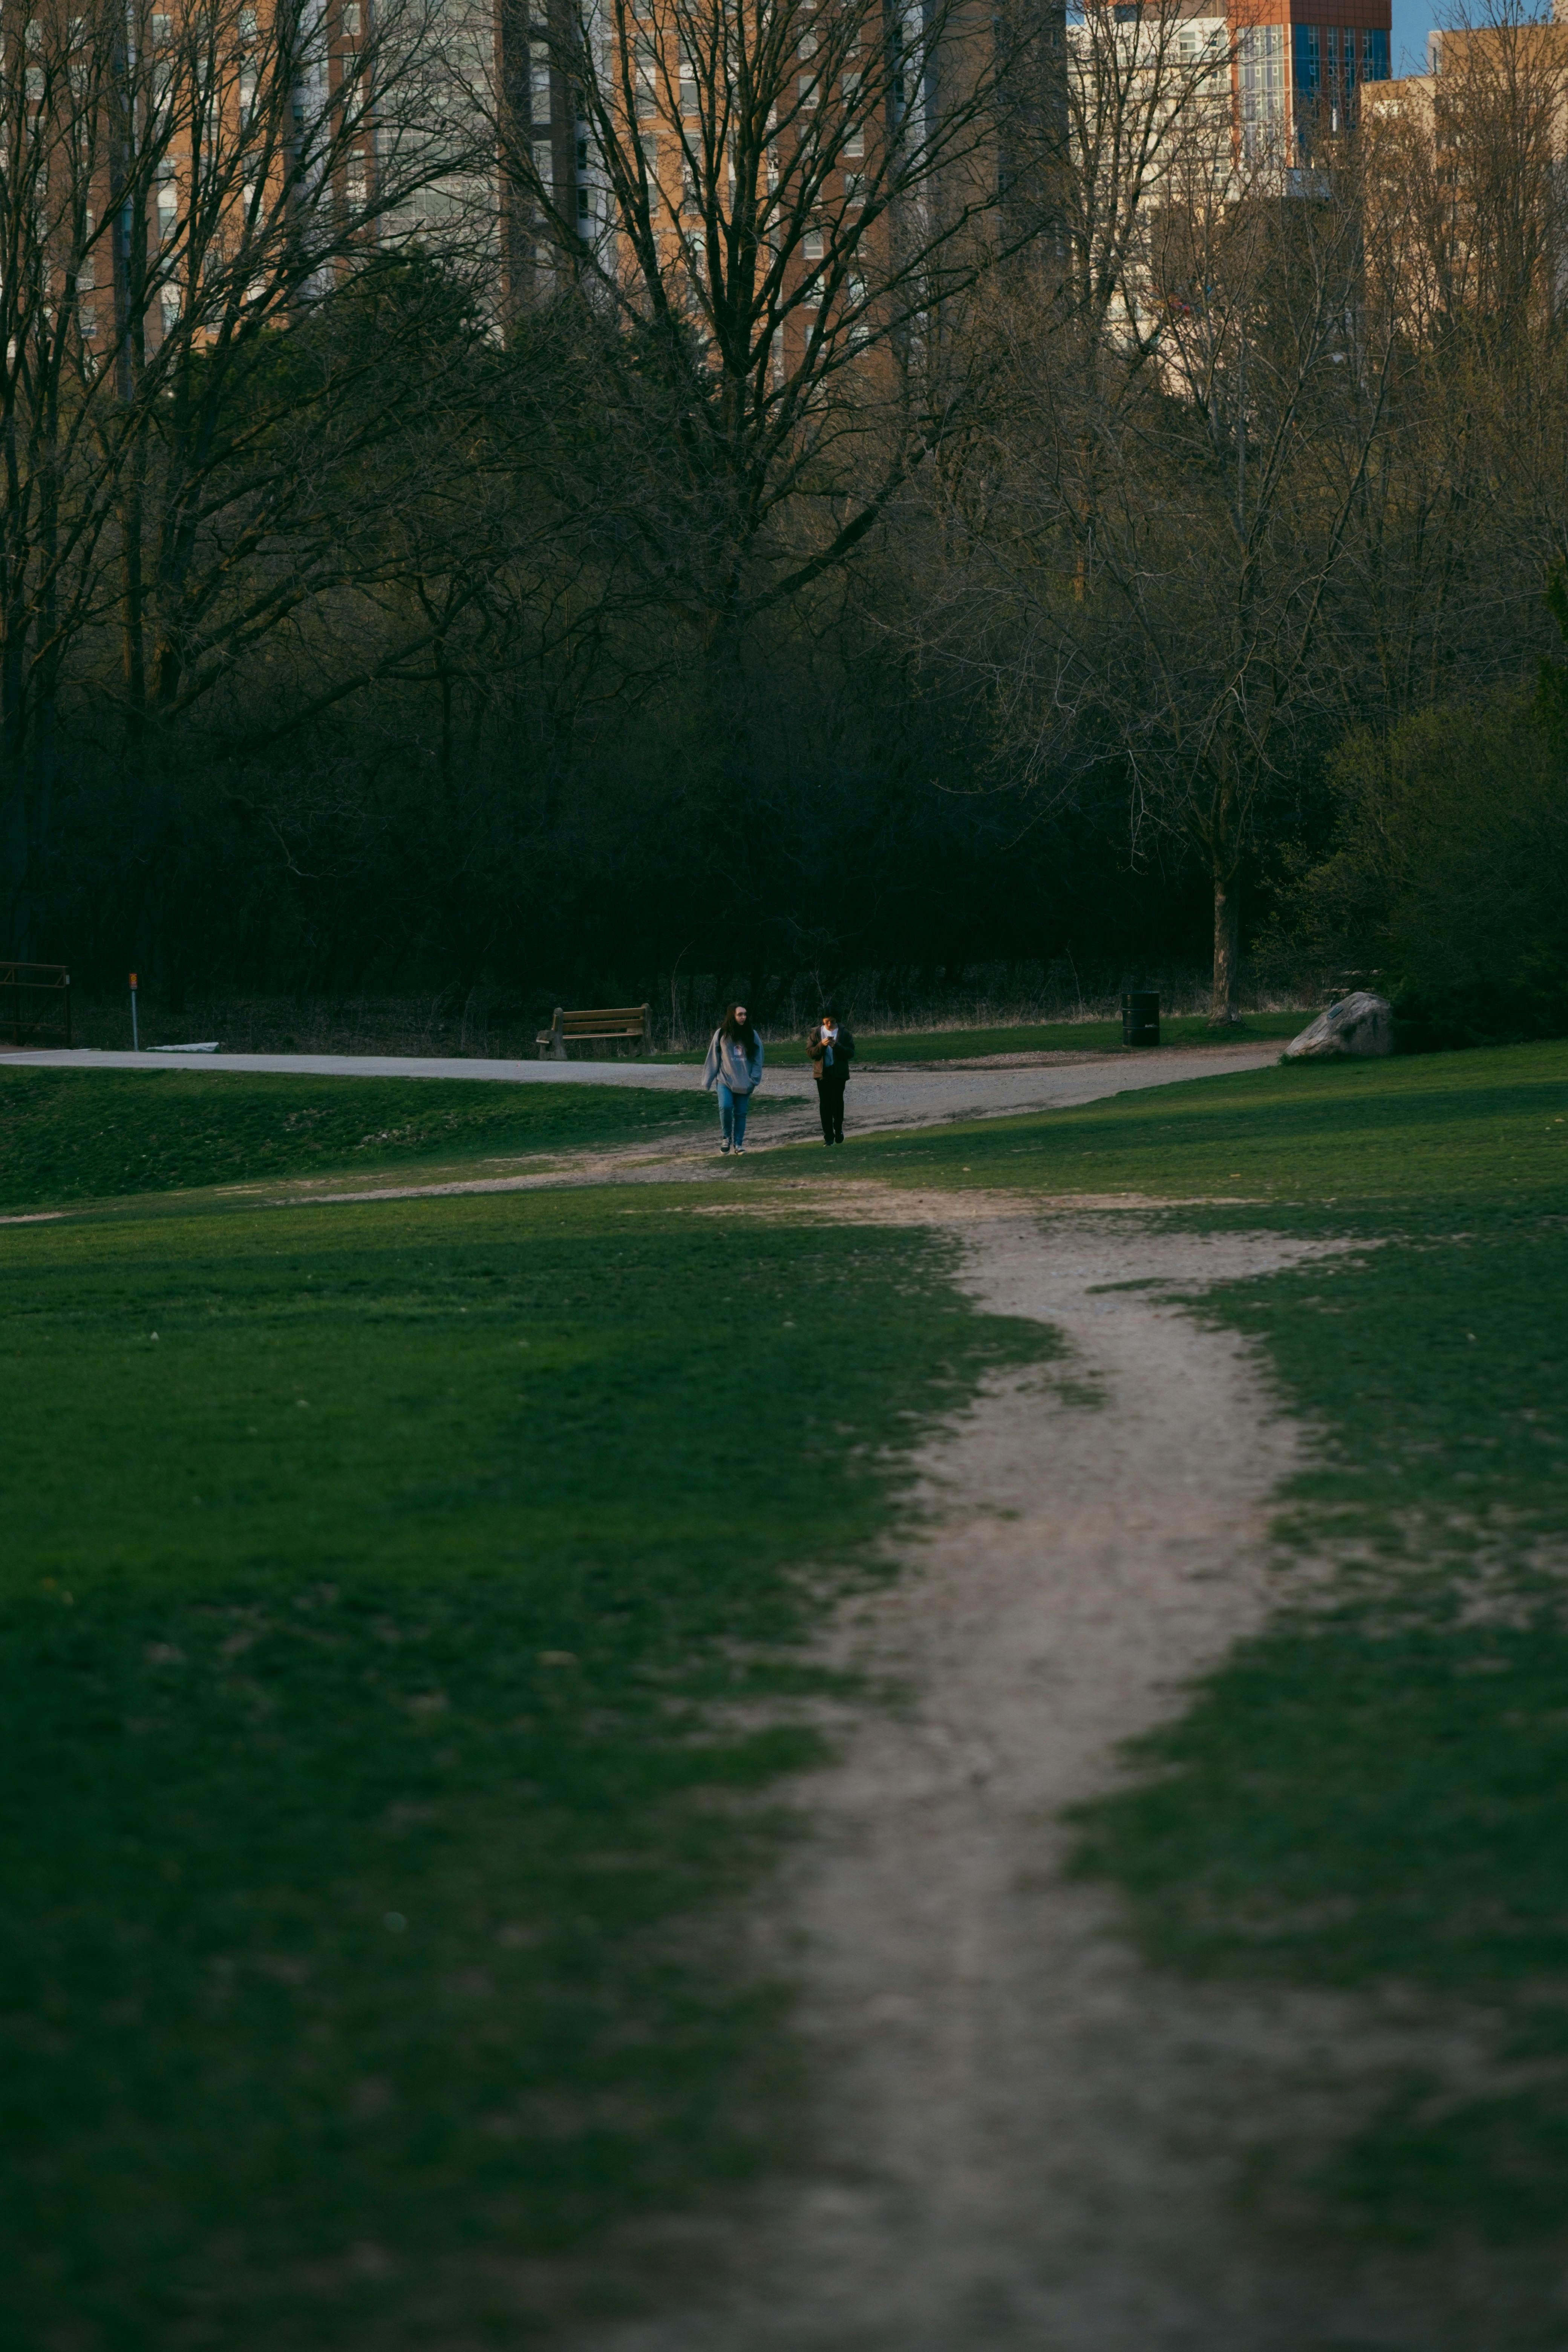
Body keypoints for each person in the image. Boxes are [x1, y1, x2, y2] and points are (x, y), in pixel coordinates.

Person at [702, 1002, 765, 1154]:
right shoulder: (722, 1034)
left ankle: (738, 1144)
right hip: (725, 1080)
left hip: (745, 1082)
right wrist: (708, 1080)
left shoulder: (752, 1034)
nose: (744, 1017)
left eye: (745, 1014)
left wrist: (754, 1079)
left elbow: (759, 1057)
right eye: (740, 1015)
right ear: (732, 1016)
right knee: (726, 1107)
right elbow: (713, 1057)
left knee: (741, 1113)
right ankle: (726, 1138)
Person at [807, 1010, 855, 1145]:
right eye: (826, 1021)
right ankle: (828, 1137)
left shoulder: (844, 1033)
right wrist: (821, 1045)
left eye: (832, 1021)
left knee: (837, 1103)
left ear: (837, 1021)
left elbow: (851, 1052)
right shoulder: (816, 1033)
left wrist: (837, 1046)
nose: (829, 1024)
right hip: (822, 1074)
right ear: (823, 1020)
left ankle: (838, 1129)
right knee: (825, 1105)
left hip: (839, 1073)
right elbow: (811, 1053)